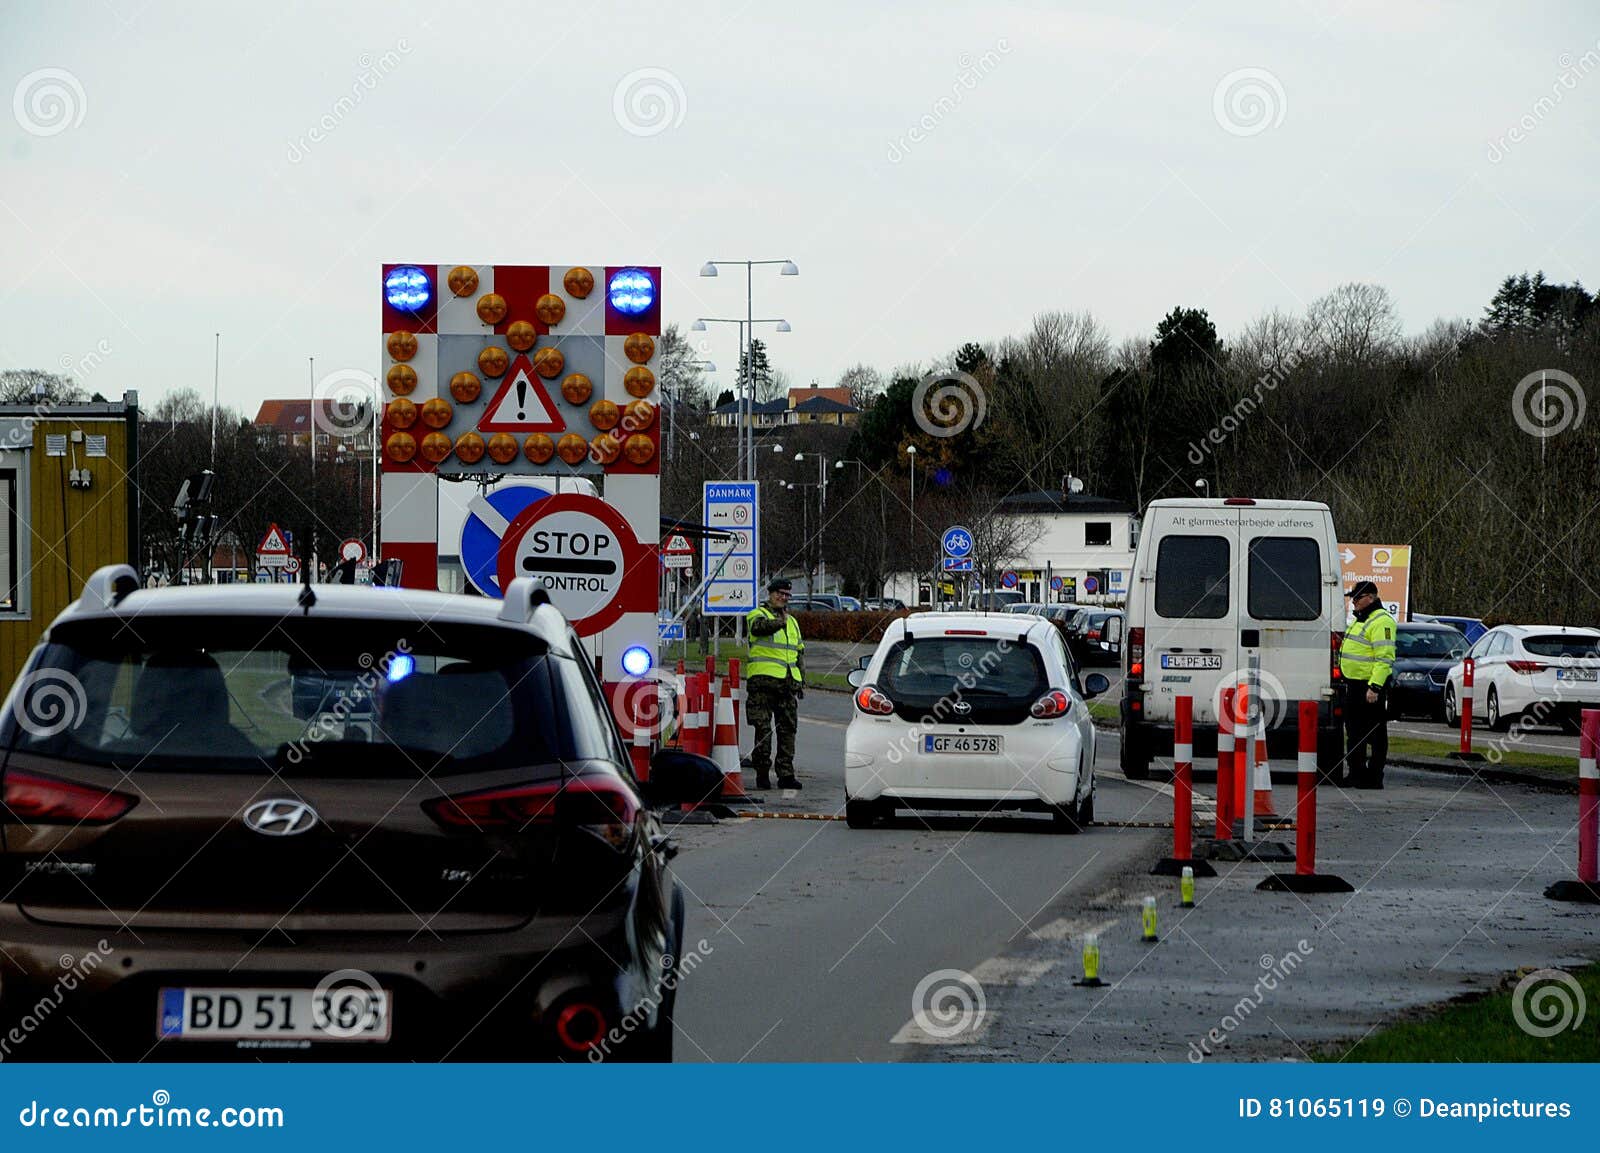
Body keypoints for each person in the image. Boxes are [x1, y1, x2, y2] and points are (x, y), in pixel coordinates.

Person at [745, 578, 805, 790]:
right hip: (763, 684)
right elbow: (759, 629)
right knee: (763, 730)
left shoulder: (793, 622)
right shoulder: (758, 614)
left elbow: (798, 653)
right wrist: (780, 621)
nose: (783, 598)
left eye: (787, 595)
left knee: (788, 730)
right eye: (779, 593)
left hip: (787, 685)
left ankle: (786, 774)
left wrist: (801, 681)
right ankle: (762, 773)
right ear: (770, 594)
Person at [1340, 580, 1397, 789]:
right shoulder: (1361, 619)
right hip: (1354, 686)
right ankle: (1356, 773)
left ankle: (1374, 776)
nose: (1353, 602)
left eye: (1357, 598)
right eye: (1352, 598)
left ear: (1371, 598)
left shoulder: (1381, 622)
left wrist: (1375, 687)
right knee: (1354, 732)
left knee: (1375, 732)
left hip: (1369, 688)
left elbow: (1384, 659)